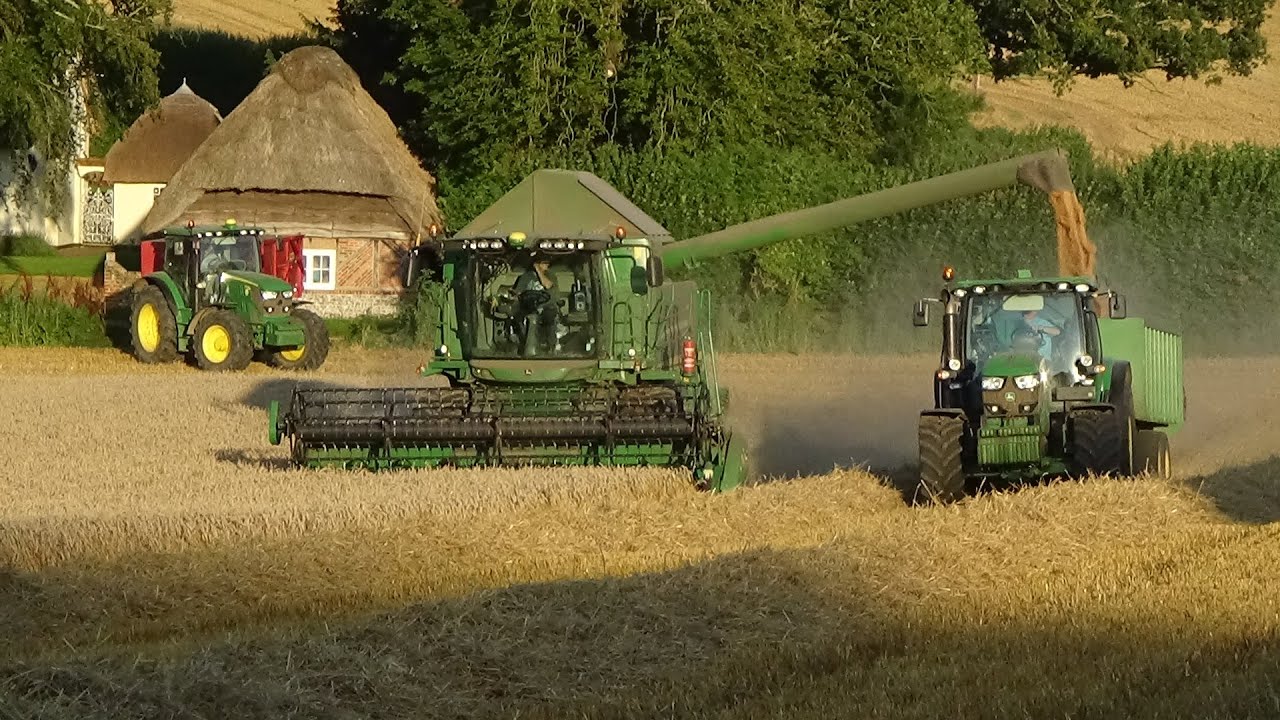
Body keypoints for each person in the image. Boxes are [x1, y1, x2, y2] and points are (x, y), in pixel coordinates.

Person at [512, 256, 562, 354]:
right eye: (544, 263)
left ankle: (550, 347)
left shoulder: (551, 276)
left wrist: (539, 272)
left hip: (547, 306)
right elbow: (518, 293)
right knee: (518, 318)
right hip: (528, 307)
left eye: (548, 263)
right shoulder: (525, 277)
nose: (547, 265)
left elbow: (548, 285)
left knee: (550, 317)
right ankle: (523, 345)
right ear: (536, 264)